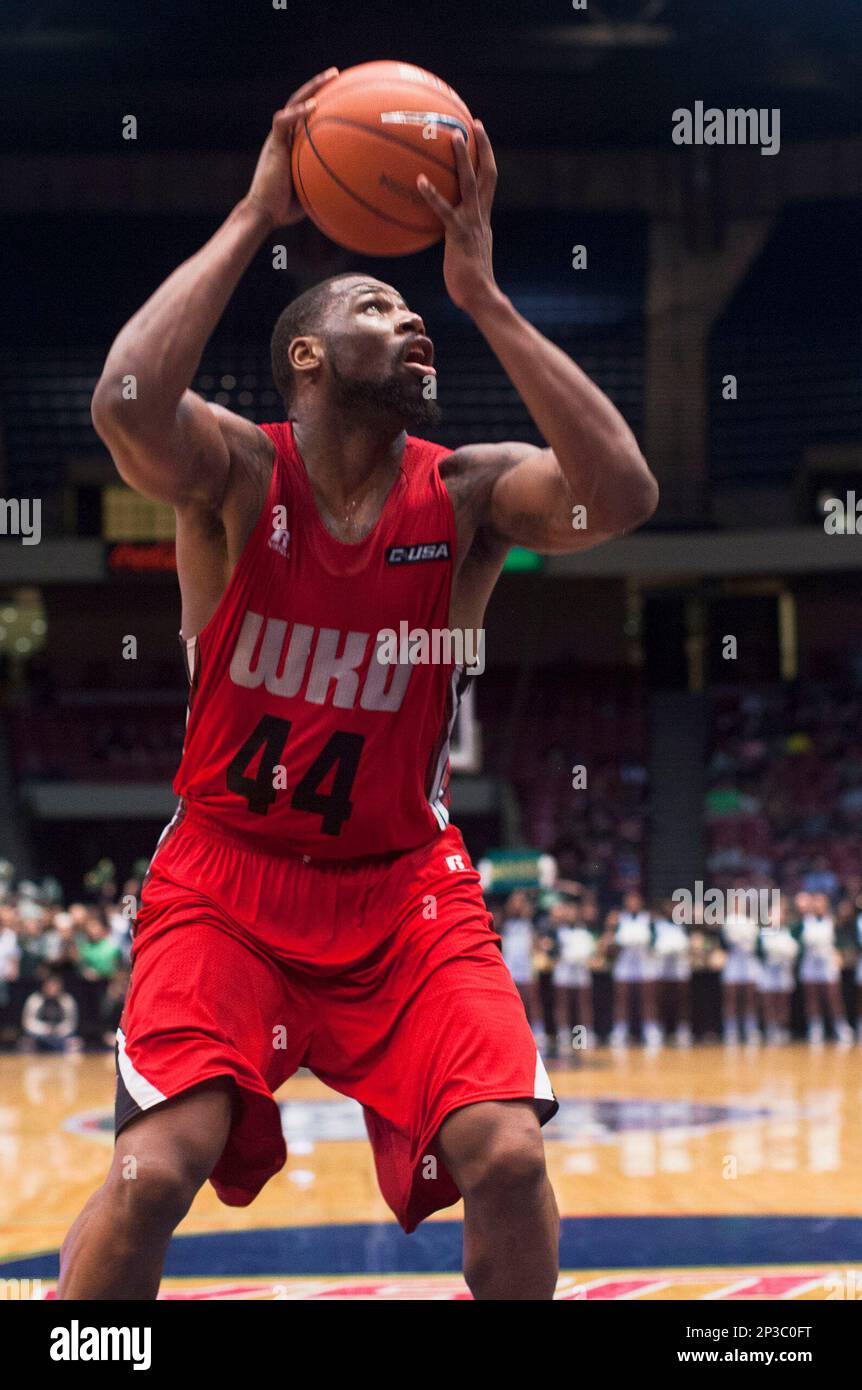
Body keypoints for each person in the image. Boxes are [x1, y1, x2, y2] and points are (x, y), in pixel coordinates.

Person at [58, 70, 657, 1302]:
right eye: (386, 305)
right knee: (153, 1171)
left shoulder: (473, 492)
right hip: (226, 880)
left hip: (401, 890)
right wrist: (252, 216)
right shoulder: (231, 474)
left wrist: (479, 294)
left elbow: (622, 495)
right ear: (311, 355)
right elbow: (125, 405)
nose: (415, 322)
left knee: (504, 1151)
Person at [605, 890, 661, 1049]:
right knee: (622, 1000)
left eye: (636, 900)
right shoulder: (618, 919)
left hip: (644, 964)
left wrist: (646, 941)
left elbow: (655, 941)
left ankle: (650, 1029)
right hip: (624, 965)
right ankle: (620, 1030)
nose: (633, 903)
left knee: (648, 1000)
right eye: (630, 900)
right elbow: (611, 945)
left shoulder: (648, 919)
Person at [798, 892, 853, 1045]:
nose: (818, 905)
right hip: (810, 963)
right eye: (815, 902)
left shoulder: (832, 920)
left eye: (821, 902)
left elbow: (840, 939)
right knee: (812, 997)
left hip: (828, 963)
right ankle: (816, 1027)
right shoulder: (805, 921)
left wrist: (839, 954)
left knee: (833, 996)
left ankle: (840, 1026)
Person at [551, 897, 597, 1053]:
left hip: (581, 970)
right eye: (567, 911)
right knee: (563, 1003)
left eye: (573, 911)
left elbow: (591, 952)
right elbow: (552, 951)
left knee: (583, 1003)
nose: (570, 914)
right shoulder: (558, 931)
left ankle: (584, 1035)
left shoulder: (584, 931)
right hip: (563, 970)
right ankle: (563, 1033)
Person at [652, 897, 693, 1048]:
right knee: (660, 1000)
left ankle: (683, 1029)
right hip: (662, 969)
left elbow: (690, 944)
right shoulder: (657, 925)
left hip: (680, 969)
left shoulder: (684, 925)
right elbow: (652, 945)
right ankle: (659, 1029)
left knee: (682, 1001)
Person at [20, 973, 80, 1053]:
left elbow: (71, 1022)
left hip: (60, 1035)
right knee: (26, 1043)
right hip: (39, 1035)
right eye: (50, 986)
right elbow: (27, 1022)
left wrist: (58, 1029)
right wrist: (44, 1029)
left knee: (75, 1043)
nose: (53, 989)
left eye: (55, 986)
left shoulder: (67, 1000)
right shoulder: (35, 1000)